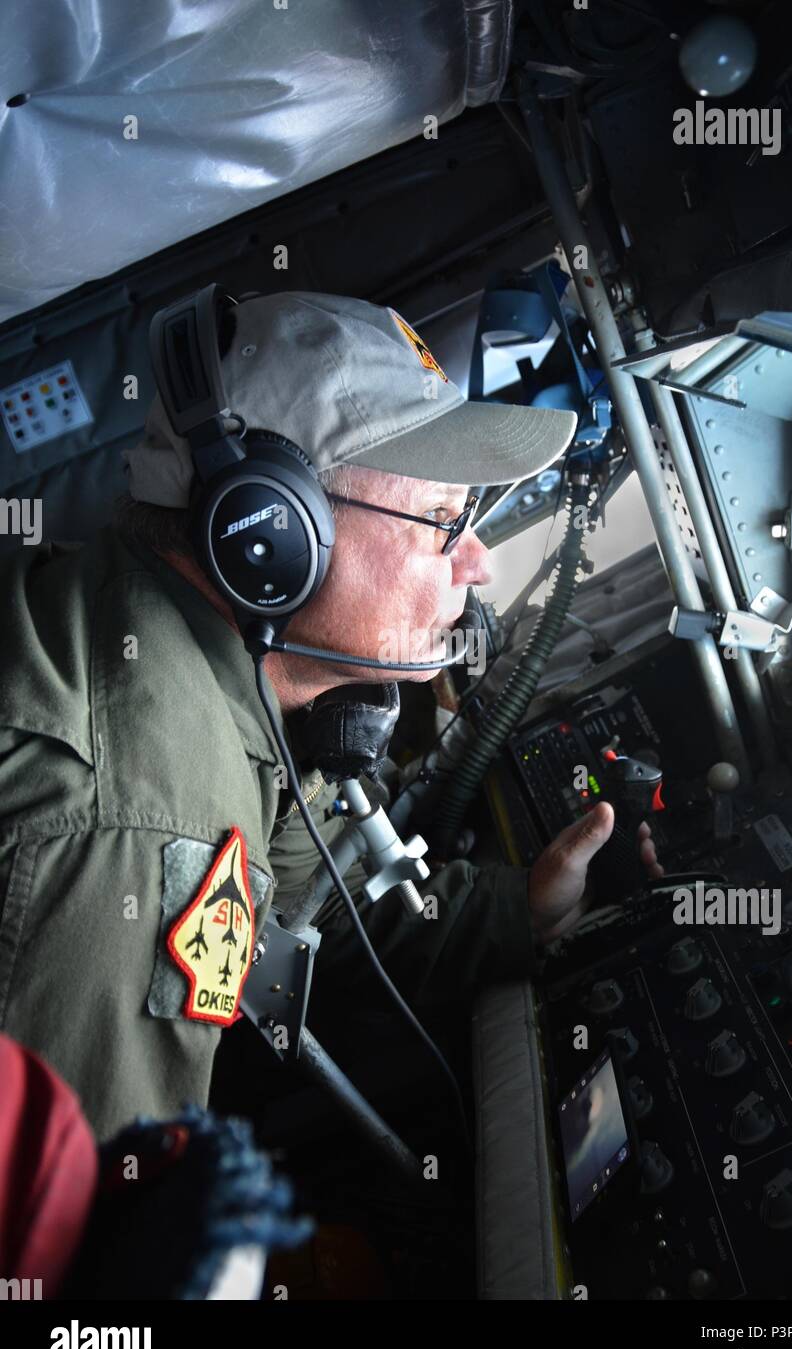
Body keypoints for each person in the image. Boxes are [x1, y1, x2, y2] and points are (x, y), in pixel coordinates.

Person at [0, 289, 661, 1141]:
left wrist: (519, 910)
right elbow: (75, 1236)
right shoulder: (136, 831)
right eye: (441, 521)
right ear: (267, 538)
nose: (478, 564)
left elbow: (297, 900)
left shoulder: (192, 656)